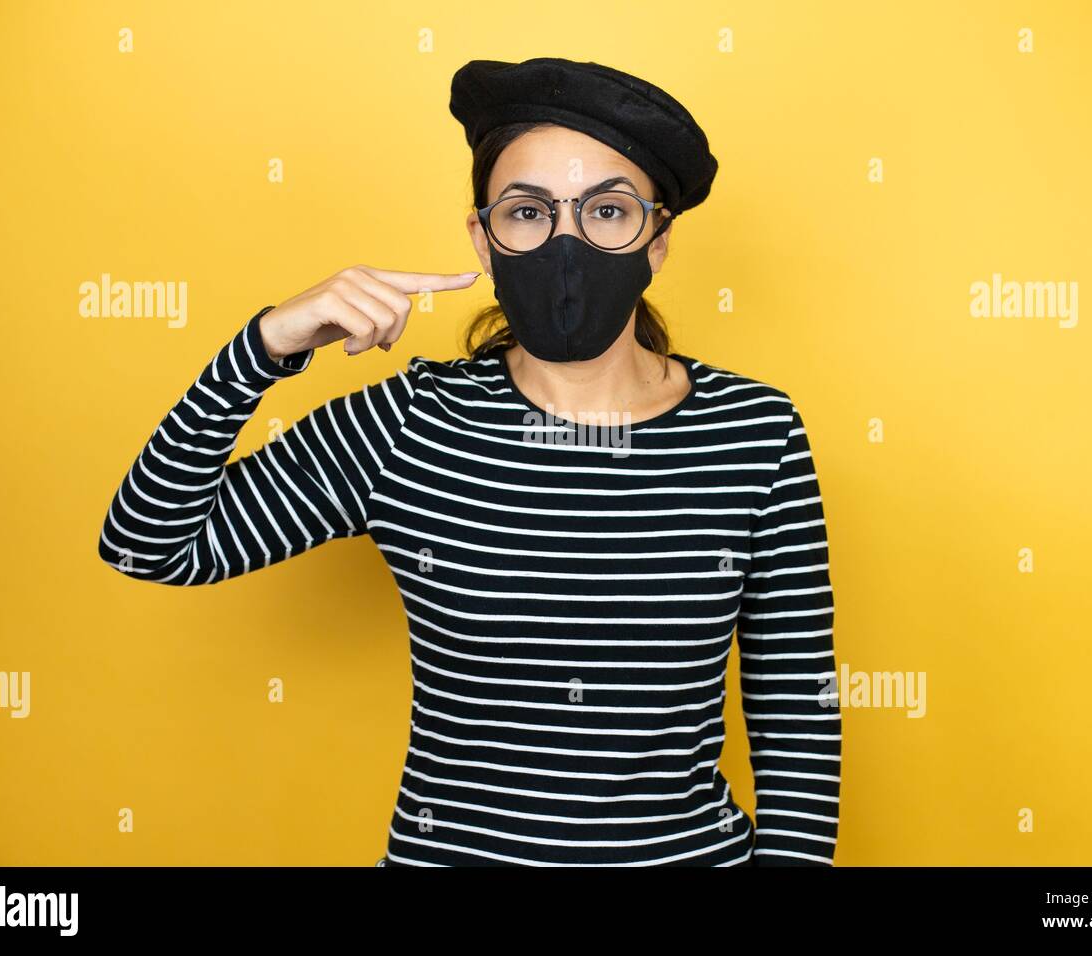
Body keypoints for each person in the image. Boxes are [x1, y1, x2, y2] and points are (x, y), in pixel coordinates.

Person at [97, 56, 840, 867]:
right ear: (484, 241)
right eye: (528, 212)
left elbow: (796, 710)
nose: (567, 240)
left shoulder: (756, 430)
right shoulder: (411, 423)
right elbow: (149, 544)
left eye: (608, 210)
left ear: (657, 241)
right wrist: (264, 347)